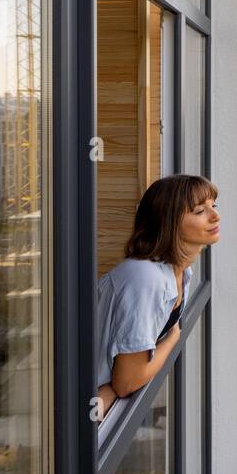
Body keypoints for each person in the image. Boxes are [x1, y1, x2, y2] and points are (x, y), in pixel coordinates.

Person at [94, 174, 220, 419]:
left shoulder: (180, 273)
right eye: (199, 211)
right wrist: (173, 338)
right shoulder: (146, 278)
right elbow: (126, 383)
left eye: (213, 206)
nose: (215, 216)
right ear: (169, 222)